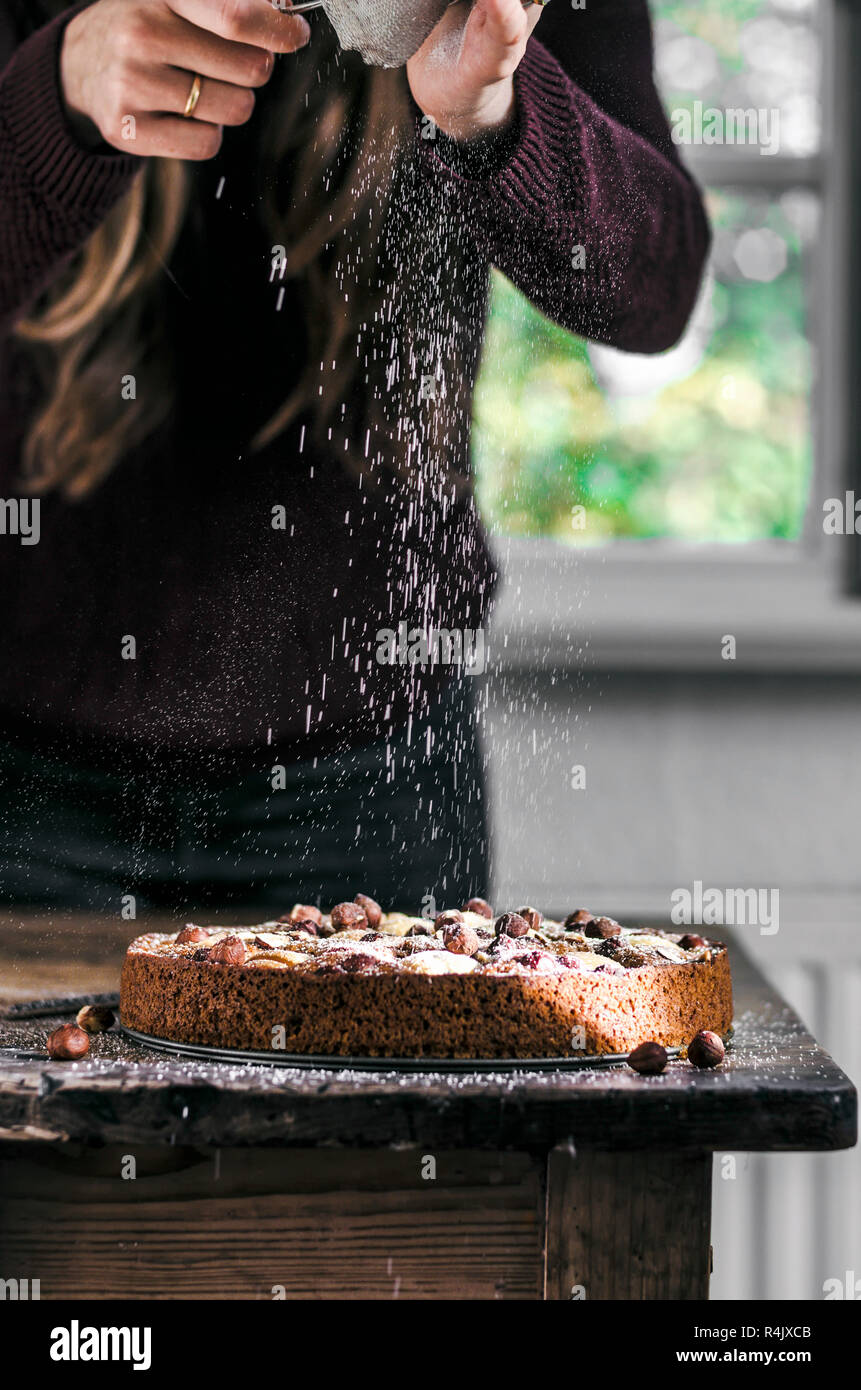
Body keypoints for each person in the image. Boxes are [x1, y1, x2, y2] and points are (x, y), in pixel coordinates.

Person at [0, 0, 709, 914]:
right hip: (27, 771)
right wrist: (57, 96)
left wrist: (495, 112)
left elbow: (655, 288)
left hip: (367, 771)